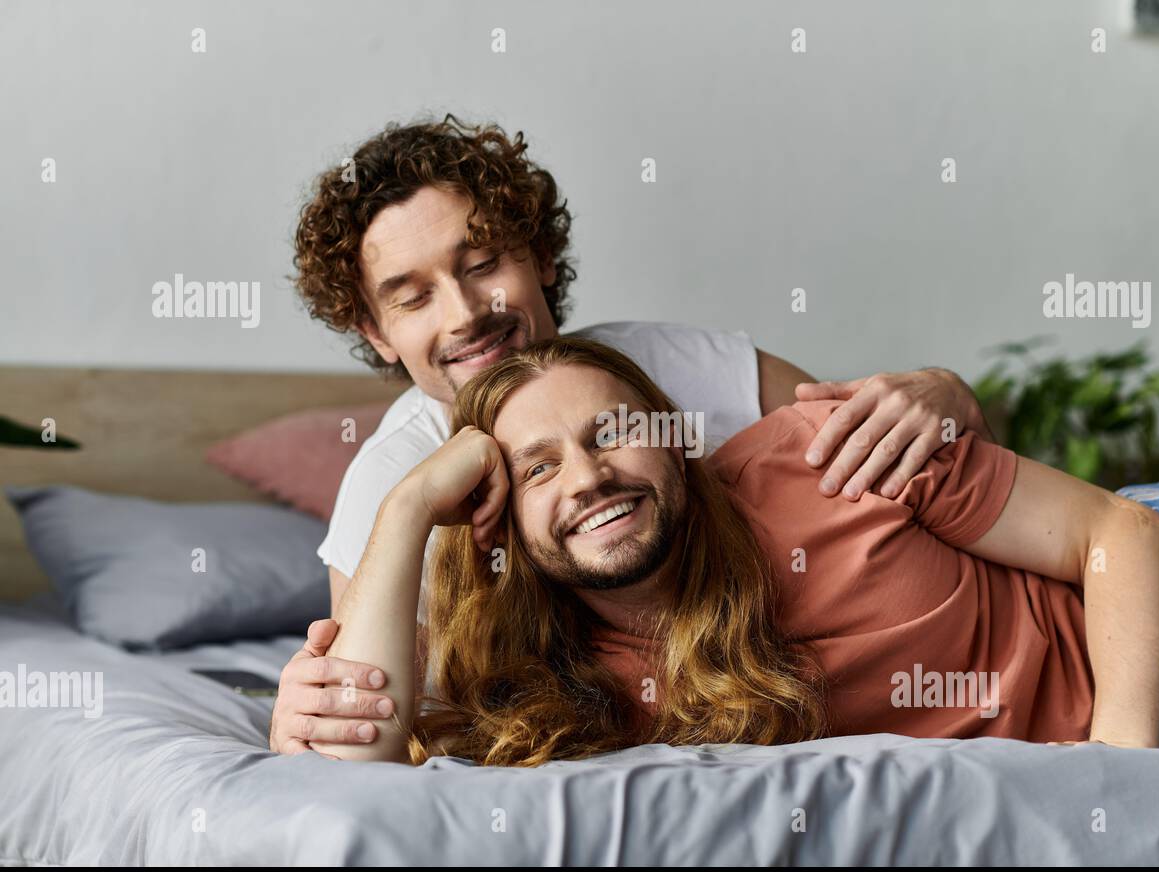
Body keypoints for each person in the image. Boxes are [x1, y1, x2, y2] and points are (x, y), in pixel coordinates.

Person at [270, 114, 995, 755]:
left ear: (541, 258)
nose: (463, 313)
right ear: (376, 332)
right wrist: (308, 722)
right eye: (414, 296)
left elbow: (924, 471)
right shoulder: (390, 481)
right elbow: (358, 739)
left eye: (483, 263)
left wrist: (948, 396)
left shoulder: (683, 366)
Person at [313, 337, 1159, 767]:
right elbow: (363, 780)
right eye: (535, 469)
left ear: (674, 438)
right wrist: (405, 506)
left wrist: (1121, 777)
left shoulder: (817, 448)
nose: (587, 477)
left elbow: (1121, 534)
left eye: (611, 432)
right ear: (504, 530)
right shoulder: (553, 684)